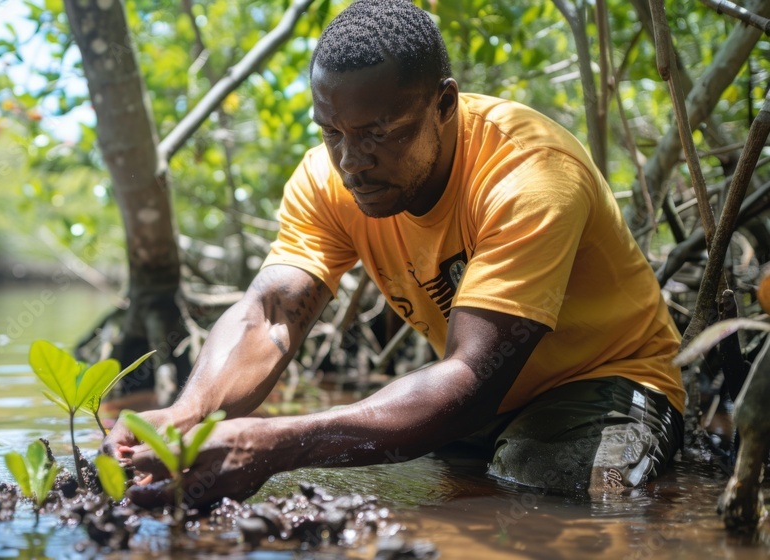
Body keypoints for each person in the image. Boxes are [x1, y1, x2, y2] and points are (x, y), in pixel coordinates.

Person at [104, 0, 685, 506]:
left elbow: (468, 379)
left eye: (380, 132)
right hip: (485, 401)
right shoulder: (327, 180)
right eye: (332, 131)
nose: (352, 160)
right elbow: (270, 314)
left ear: (445, 105)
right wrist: (187, 415)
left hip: (604, 382)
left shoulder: (530, 177)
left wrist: (273, 442)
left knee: (548, 494)